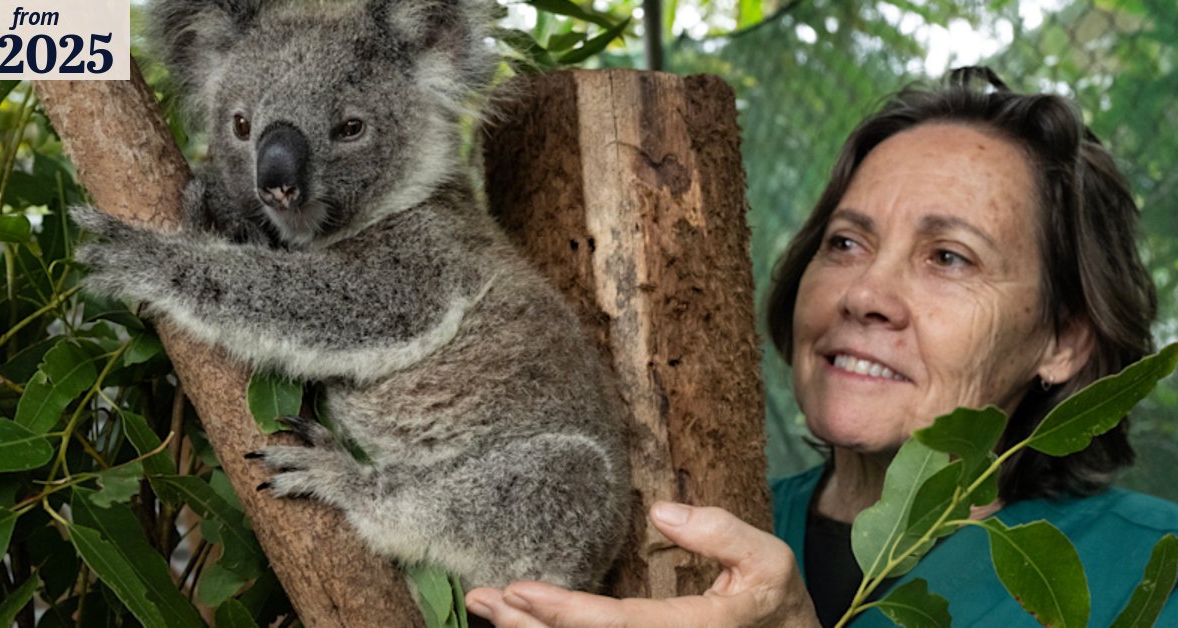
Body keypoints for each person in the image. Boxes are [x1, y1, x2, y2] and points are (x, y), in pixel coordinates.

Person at [464, 67, 1178, 626]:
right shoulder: (686, 523)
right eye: (845, 242)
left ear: (1065, 341)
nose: (864, 292)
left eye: (949, 258)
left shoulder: (1152, 566)